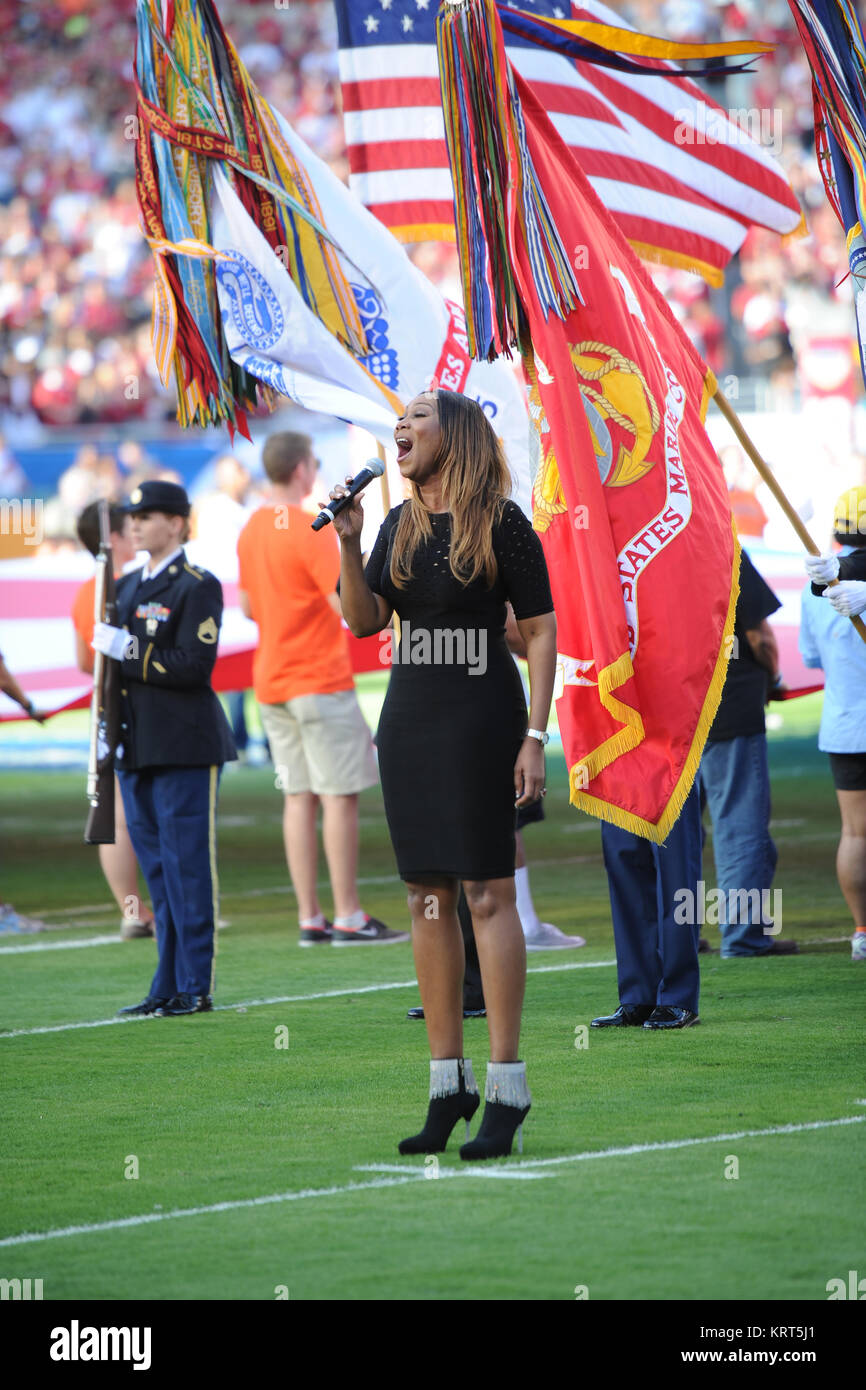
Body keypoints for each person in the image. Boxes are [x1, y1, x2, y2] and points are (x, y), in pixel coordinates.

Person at [335, 388, 557, 1160]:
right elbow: (363, 622)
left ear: (455, 435)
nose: (401, 430)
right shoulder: (393, 523)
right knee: (425, 896)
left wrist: (535, 735)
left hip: (482, 717)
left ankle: (507, 1085)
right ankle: (445, 1084)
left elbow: (538, 633)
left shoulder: (502, 521)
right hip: (410, 719)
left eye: (417, 418)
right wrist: (346, 540)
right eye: (398, 422)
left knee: (489, 896)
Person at [237, 431, 403, 947]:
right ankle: (348, 913)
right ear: (303, 469)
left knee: (297, 798)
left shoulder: (252, 528)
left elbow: (247, 606)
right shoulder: (309, 529)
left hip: (272, 681)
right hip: (317, 677)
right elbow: (347, 606)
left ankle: (310, 915)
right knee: (338, 796)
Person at [91, 480, 236, 1016]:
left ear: (176, 523)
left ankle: (194, 983)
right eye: (132, 515)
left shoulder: (196, 585)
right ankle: (165, 983)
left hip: (182, 743)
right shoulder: (127, 586)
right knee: (157, 870)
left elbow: (193, 667)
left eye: (146, 515)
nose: (134, 523)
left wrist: (127, 647)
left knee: (186, 866)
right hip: (137, 744)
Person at [700, 549, 798, 956]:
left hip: (672, 705)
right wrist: (774, 678)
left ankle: (673, 935)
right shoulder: (723, 548)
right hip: (730, 701)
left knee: (675, 827)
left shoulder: (652, 548)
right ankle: (744, 935)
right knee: (740, 822)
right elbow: (758, 636)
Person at [72, 501, 155, 940]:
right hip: (132, 705)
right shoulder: (123, 586)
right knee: (128, 817)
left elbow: (83, 660)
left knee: (116, 814)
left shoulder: (88, 590)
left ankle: (132, 909)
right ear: (114, 538)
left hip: (105, 706)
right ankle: (142, 910)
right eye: (131, 526)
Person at [802, 485, 866, 961]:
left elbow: (809, 655)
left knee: (856, 833)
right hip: (848, 723)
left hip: (845, 723)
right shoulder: (826, 577)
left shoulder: (823, 581)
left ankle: (862, 929)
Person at [591, 784, 704, 1031]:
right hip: (618, 756)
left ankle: (679, 996)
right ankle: (638, 995)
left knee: (677, 873)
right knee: (624, 864)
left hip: (668, 755)